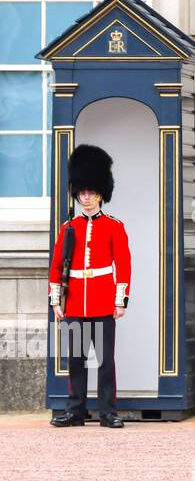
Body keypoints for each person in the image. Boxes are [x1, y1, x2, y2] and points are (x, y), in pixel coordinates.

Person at [48, 144, 132, 428]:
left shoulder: (114, 226)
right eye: (82, 192)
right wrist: (56, 301)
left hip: (102, 301)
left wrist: (120, 300)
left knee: (106, 362)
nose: (86, 197)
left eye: (91, 192)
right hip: (74, 302)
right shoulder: (68, 227)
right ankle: (76, 411)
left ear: (100, 194)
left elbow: (124, 264)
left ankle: (108, 412)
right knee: (76, 360)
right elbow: (57, 266)